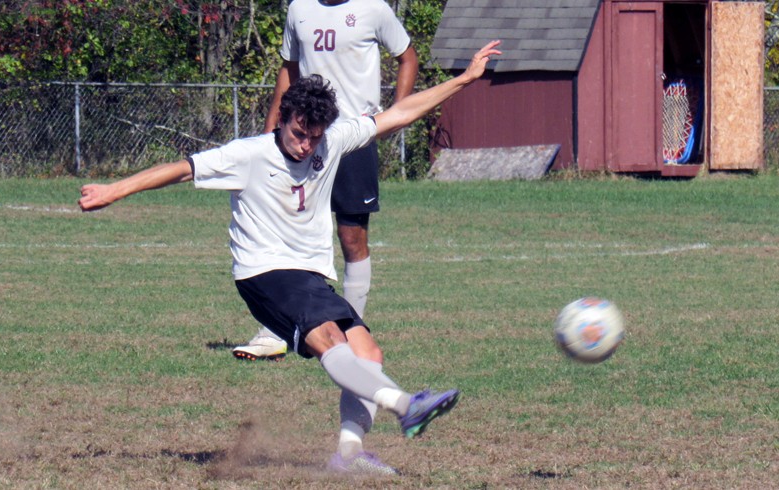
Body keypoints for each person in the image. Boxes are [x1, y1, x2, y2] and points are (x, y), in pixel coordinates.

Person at [78, 41, 503, 476]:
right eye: (299, 134)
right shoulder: (248, 154)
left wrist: (465, 79)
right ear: (282, 119)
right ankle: (406, 404)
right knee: (330, 343)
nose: (305, 146)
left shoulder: (330, 141)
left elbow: (399, 114)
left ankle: (349, 456)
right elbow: (181, 169)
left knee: (368, 354)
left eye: (314, 138)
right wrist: (114, 190)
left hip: (310, 276)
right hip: (264, 272)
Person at [233, 0, 419, 362]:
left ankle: (349, 328)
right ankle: (277, 331)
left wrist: (396, 115)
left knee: (352, 238)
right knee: (285, 233)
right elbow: (288, 69)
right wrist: (273, 125)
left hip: (352, 140)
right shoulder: (298, 8)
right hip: (305, 138)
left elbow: (408, 57)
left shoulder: (374, 9)